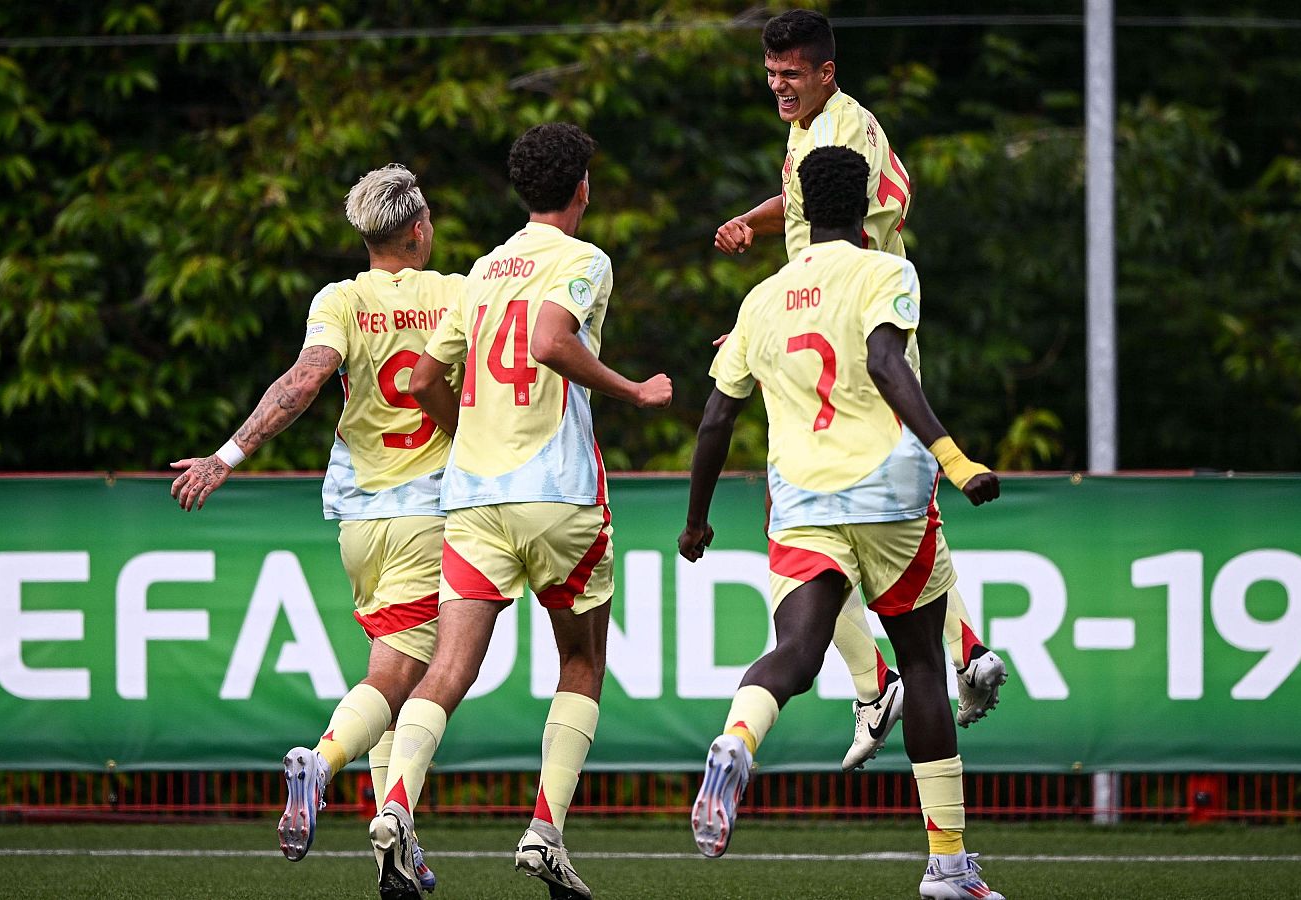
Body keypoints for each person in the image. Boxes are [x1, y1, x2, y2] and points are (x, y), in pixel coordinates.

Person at [681, 146, 1005, 899]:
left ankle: (736, 741)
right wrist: (955, 460)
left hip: (802, 504)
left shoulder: (761, 299)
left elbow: (716, 418)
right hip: (889, 496)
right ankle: (949, 866)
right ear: (864, 209)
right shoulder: (887, 271)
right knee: (923, 666)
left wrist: (697, 522)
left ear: (797, 210)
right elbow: (889, 366)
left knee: (794, 652)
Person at [367, 123, 671, 900]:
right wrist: (635, 390)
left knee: (448, 667)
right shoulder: (584, 259)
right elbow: (547, 339)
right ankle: (545, 831)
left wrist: (467, 435)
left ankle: (396, 805)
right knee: (580, 662)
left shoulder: (481, 270)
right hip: (560, 496)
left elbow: (422, 377)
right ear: (582, 189)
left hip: (473, 497)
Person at [714, 9, 1006, 766]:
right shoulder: (829, 123)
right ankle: (961, 650)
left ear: (824, 72)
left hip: (855, 335)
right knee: (890, 523)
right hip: (849, 327)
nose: (778, 86)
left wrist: (771, 320)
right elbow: (823, 202)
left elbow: (849, 221)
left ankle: (880, 685)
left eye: (790, 75)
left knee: (807, 527)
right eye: (771, 72)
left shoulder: (837, 134)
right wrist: (756, 219)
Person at [169, 164, 454, 888]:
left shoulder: (340, 298)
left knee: (388, 675)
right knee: (399, 680)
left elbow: (302, 381)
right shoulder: (455, 292)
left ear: (367, 236)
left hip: (359, 518)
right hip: (425, 510)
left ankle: (397, 840)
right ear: (419, 228)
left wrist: (226, 455)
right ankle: (321, 763)